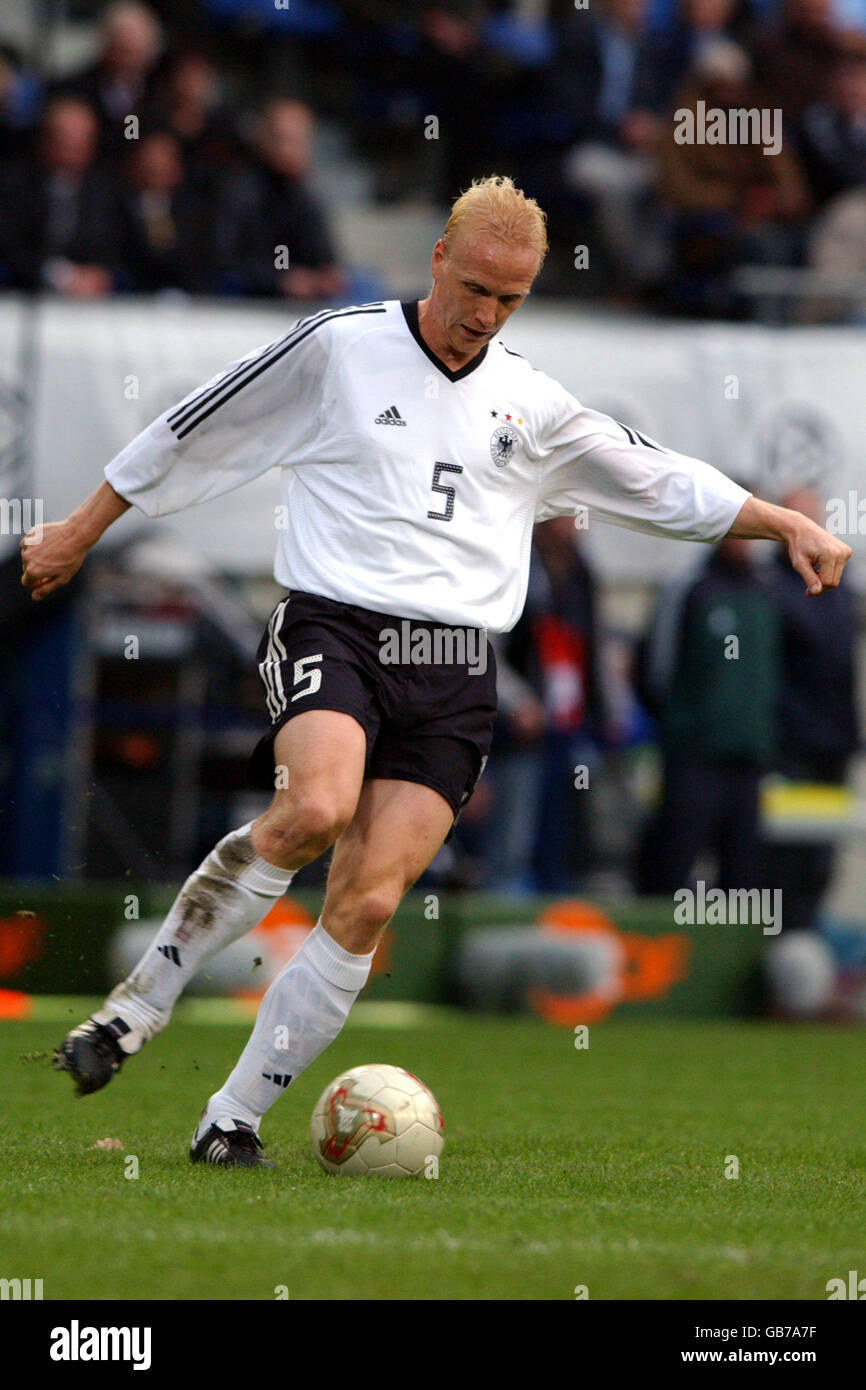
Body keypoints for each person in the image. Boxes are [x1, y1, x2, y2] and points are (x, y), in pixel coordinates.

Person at [21, 175, 851, 1168]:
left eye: (509, 299)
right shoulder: (340, 348)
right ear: (437, 262)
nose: (483, 315)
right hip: (334, 626)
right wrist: (78, 529)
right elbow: (197, 425)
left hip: (455, 665)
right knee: (314, 810)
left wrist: (782, 519)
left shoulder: (529, 404)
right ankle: (135, 1008)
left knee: (366, 905)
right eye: (472, 289)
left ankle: (229, 1120)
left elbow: (656, 475)